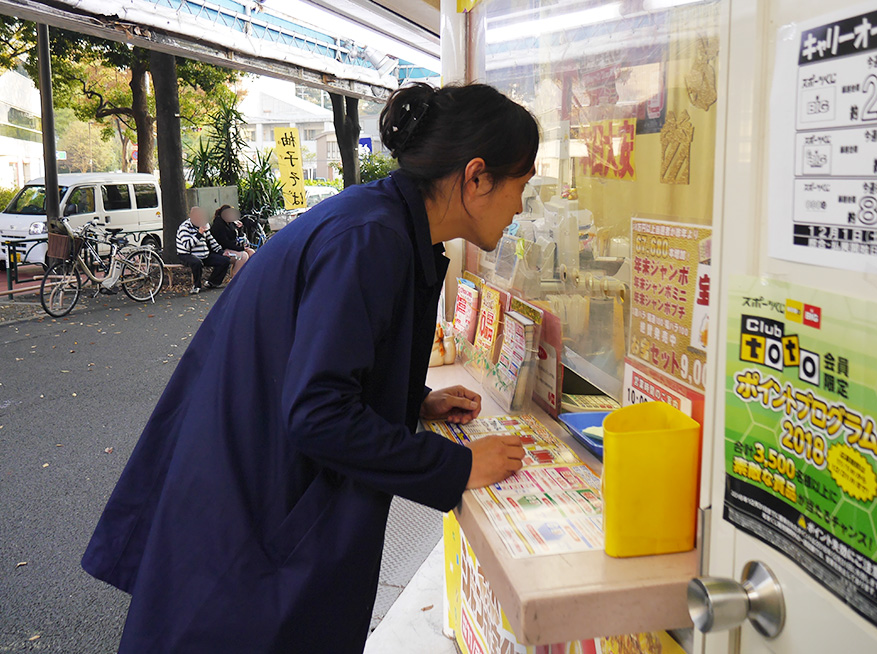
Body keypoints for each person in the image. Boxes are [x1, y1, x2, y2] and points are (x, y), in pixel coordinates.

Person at [81, 82, 538, 653]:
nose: (521, 207)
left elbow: (326, 359)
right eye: (521, 184)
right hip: (252, 527)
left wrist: (409, 397)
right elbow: (318, 413)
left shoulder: (379, 220)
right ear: (476, 178)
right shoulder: (372, 239)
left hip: (244, 495)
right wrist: (457, 466)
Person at [176, 206, 230, 293]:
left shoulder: (204, 225)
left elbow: (211, 240)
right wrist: (199, 234)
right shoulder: (184, 227)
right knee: (196, 263)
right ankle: (196, 286)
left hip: (204, 254)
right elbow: (187, 245)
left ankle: (212, 282)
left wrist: (221, 251)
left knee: (225, 261)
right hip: (187, 254)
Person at [210, 204, 255, 277]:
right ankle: (235, 277)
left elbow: (238, 237)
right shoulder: (218, 224)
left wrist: (239, 228)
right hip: (221, 249)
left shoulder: (231, 223)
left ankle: (248, 276)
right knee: (243, 256)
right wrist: (240, 248)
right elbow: (224, 243)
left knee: (251, 253)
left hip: (232, 247)